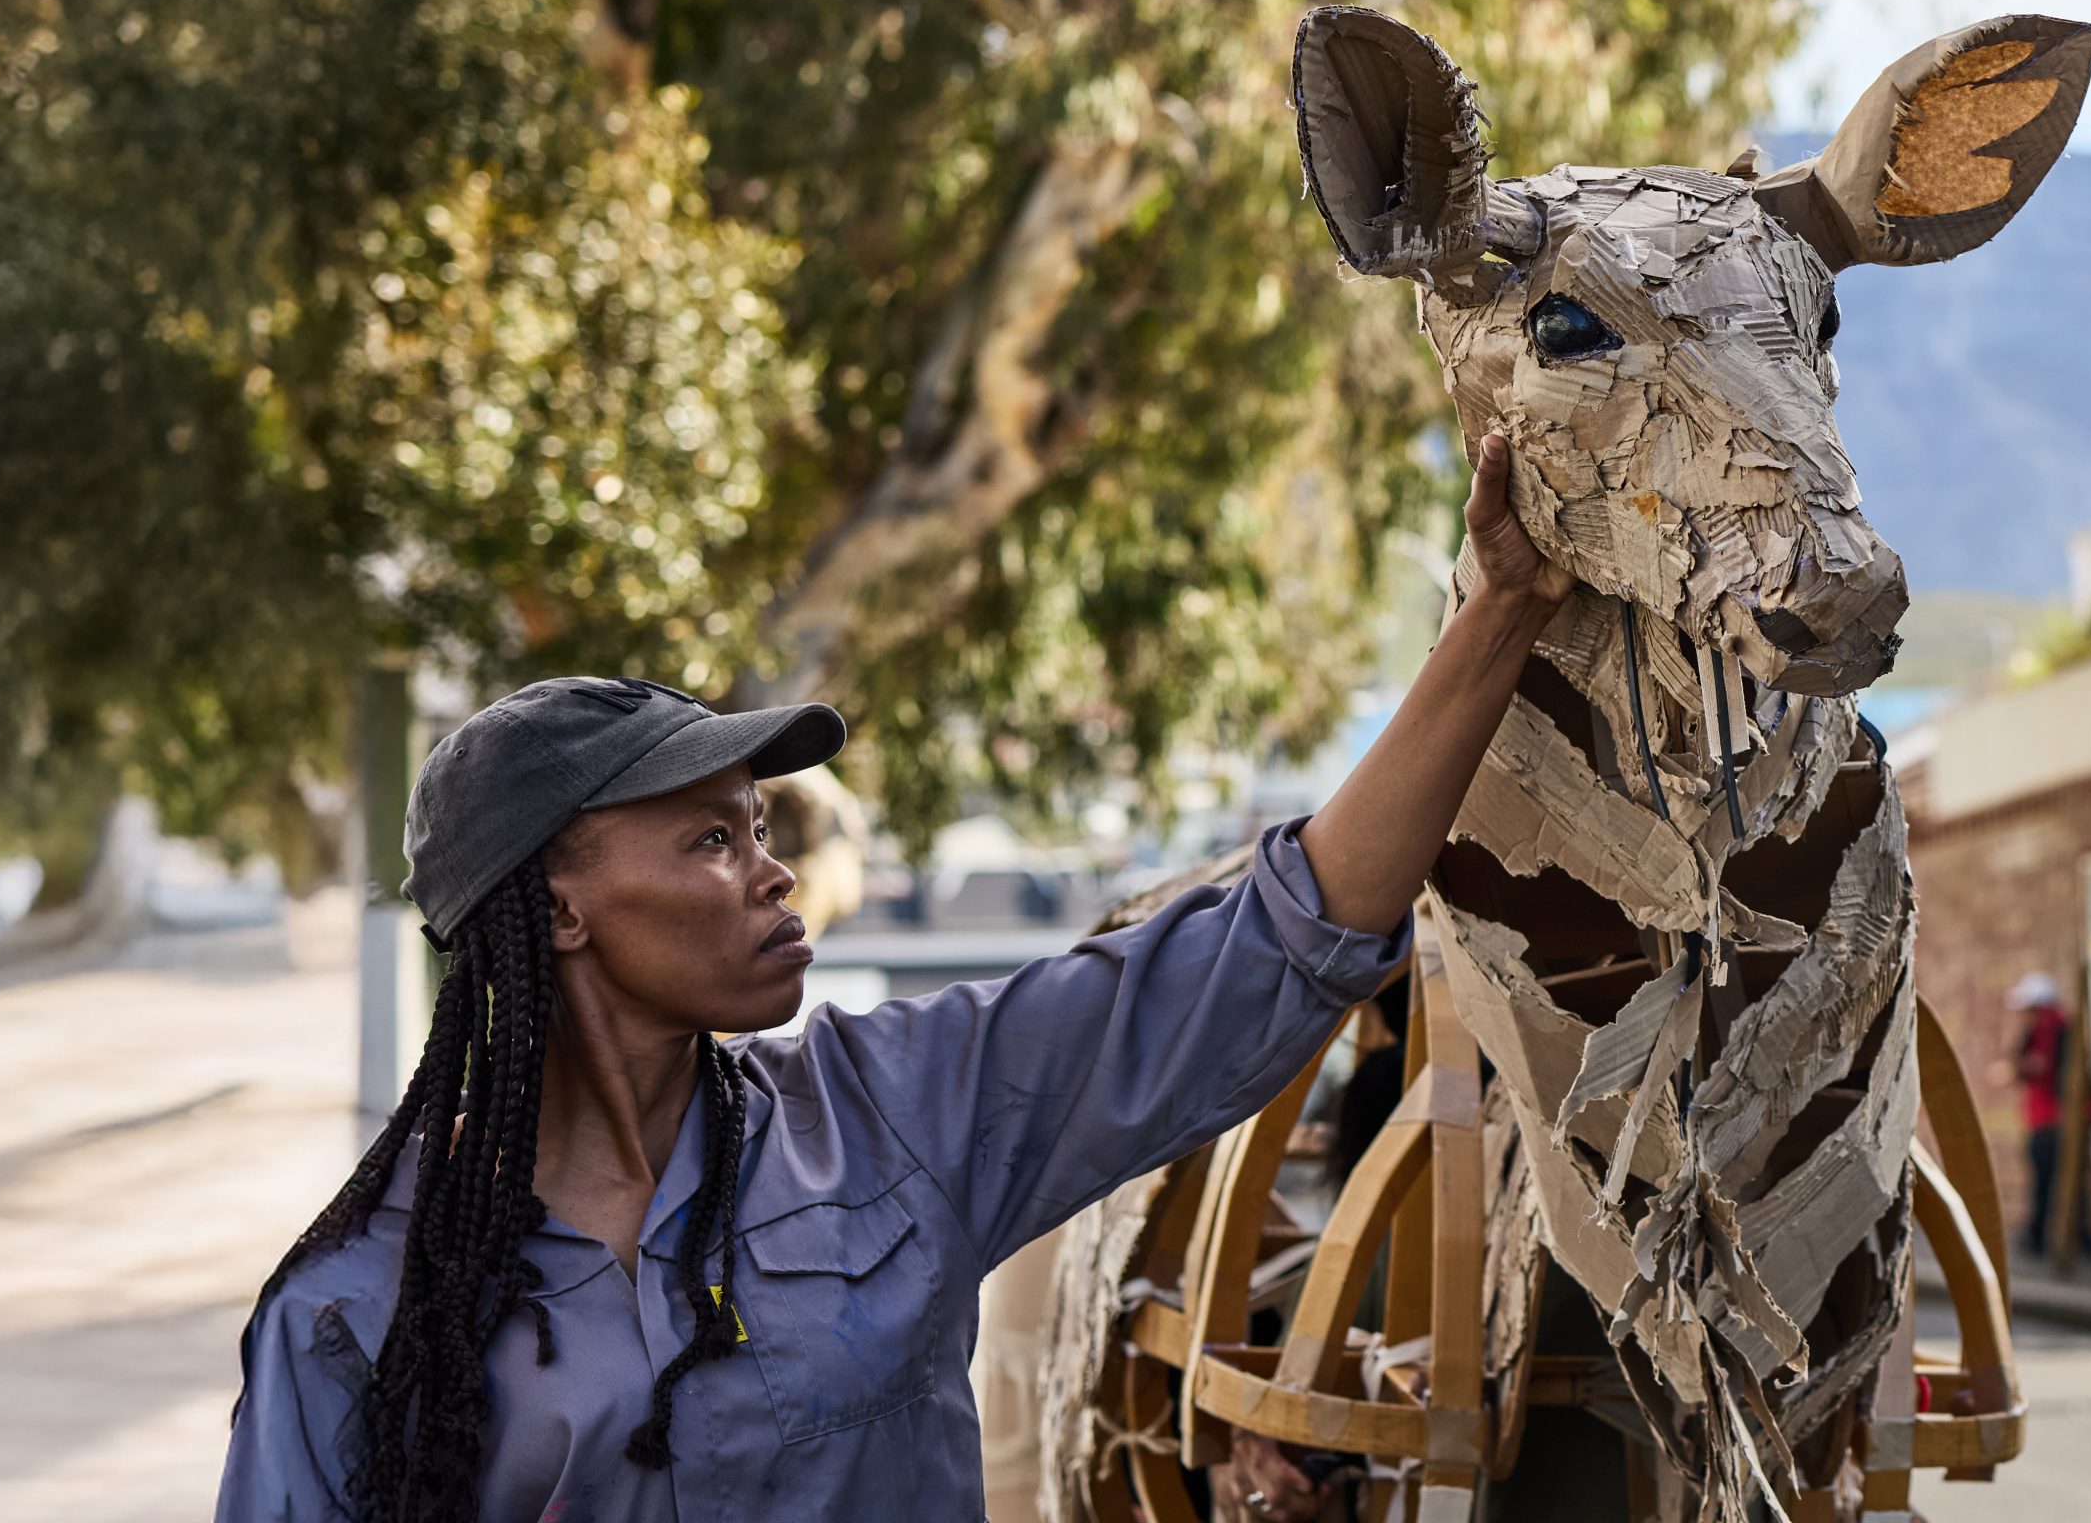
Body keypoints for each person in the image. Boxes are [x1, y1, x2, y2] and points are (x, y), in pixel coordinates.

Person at [215, 437, 1571, 1522]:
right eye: (707, 839)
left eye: (761, 830)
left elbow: (1274, 942)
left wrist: (1500, 608)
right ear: (554, 906)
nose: (771, 872)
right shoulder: (356, 1304)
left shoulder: (897, 1113)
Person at [2006, 972, 2091, 1258]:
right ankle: (2080, 1240)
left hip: (2052, 1119)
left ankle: (2042, 1240)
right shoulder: (2065, 1025)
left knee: (2047, 1182)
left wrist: (2017, 1069)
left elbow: (2040, 1066)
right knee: (2073, 1183)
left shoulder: (2047, 1026)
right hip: (2070, 1117)